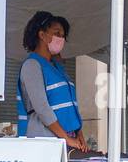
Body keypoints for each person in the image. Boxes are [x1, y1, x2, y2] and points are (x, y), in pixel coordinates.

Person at [17, 11, 87, 151]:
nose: (61, 39)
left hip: (65, 139)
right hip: (45, 139)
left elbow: (70, 106)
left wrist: (79, 133)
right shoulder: (32, 65)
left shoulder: (58, 67)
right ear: (42, 35)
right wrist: (66, 139)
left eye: (62, 35)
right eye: (57, 33)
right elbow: (42, 107)